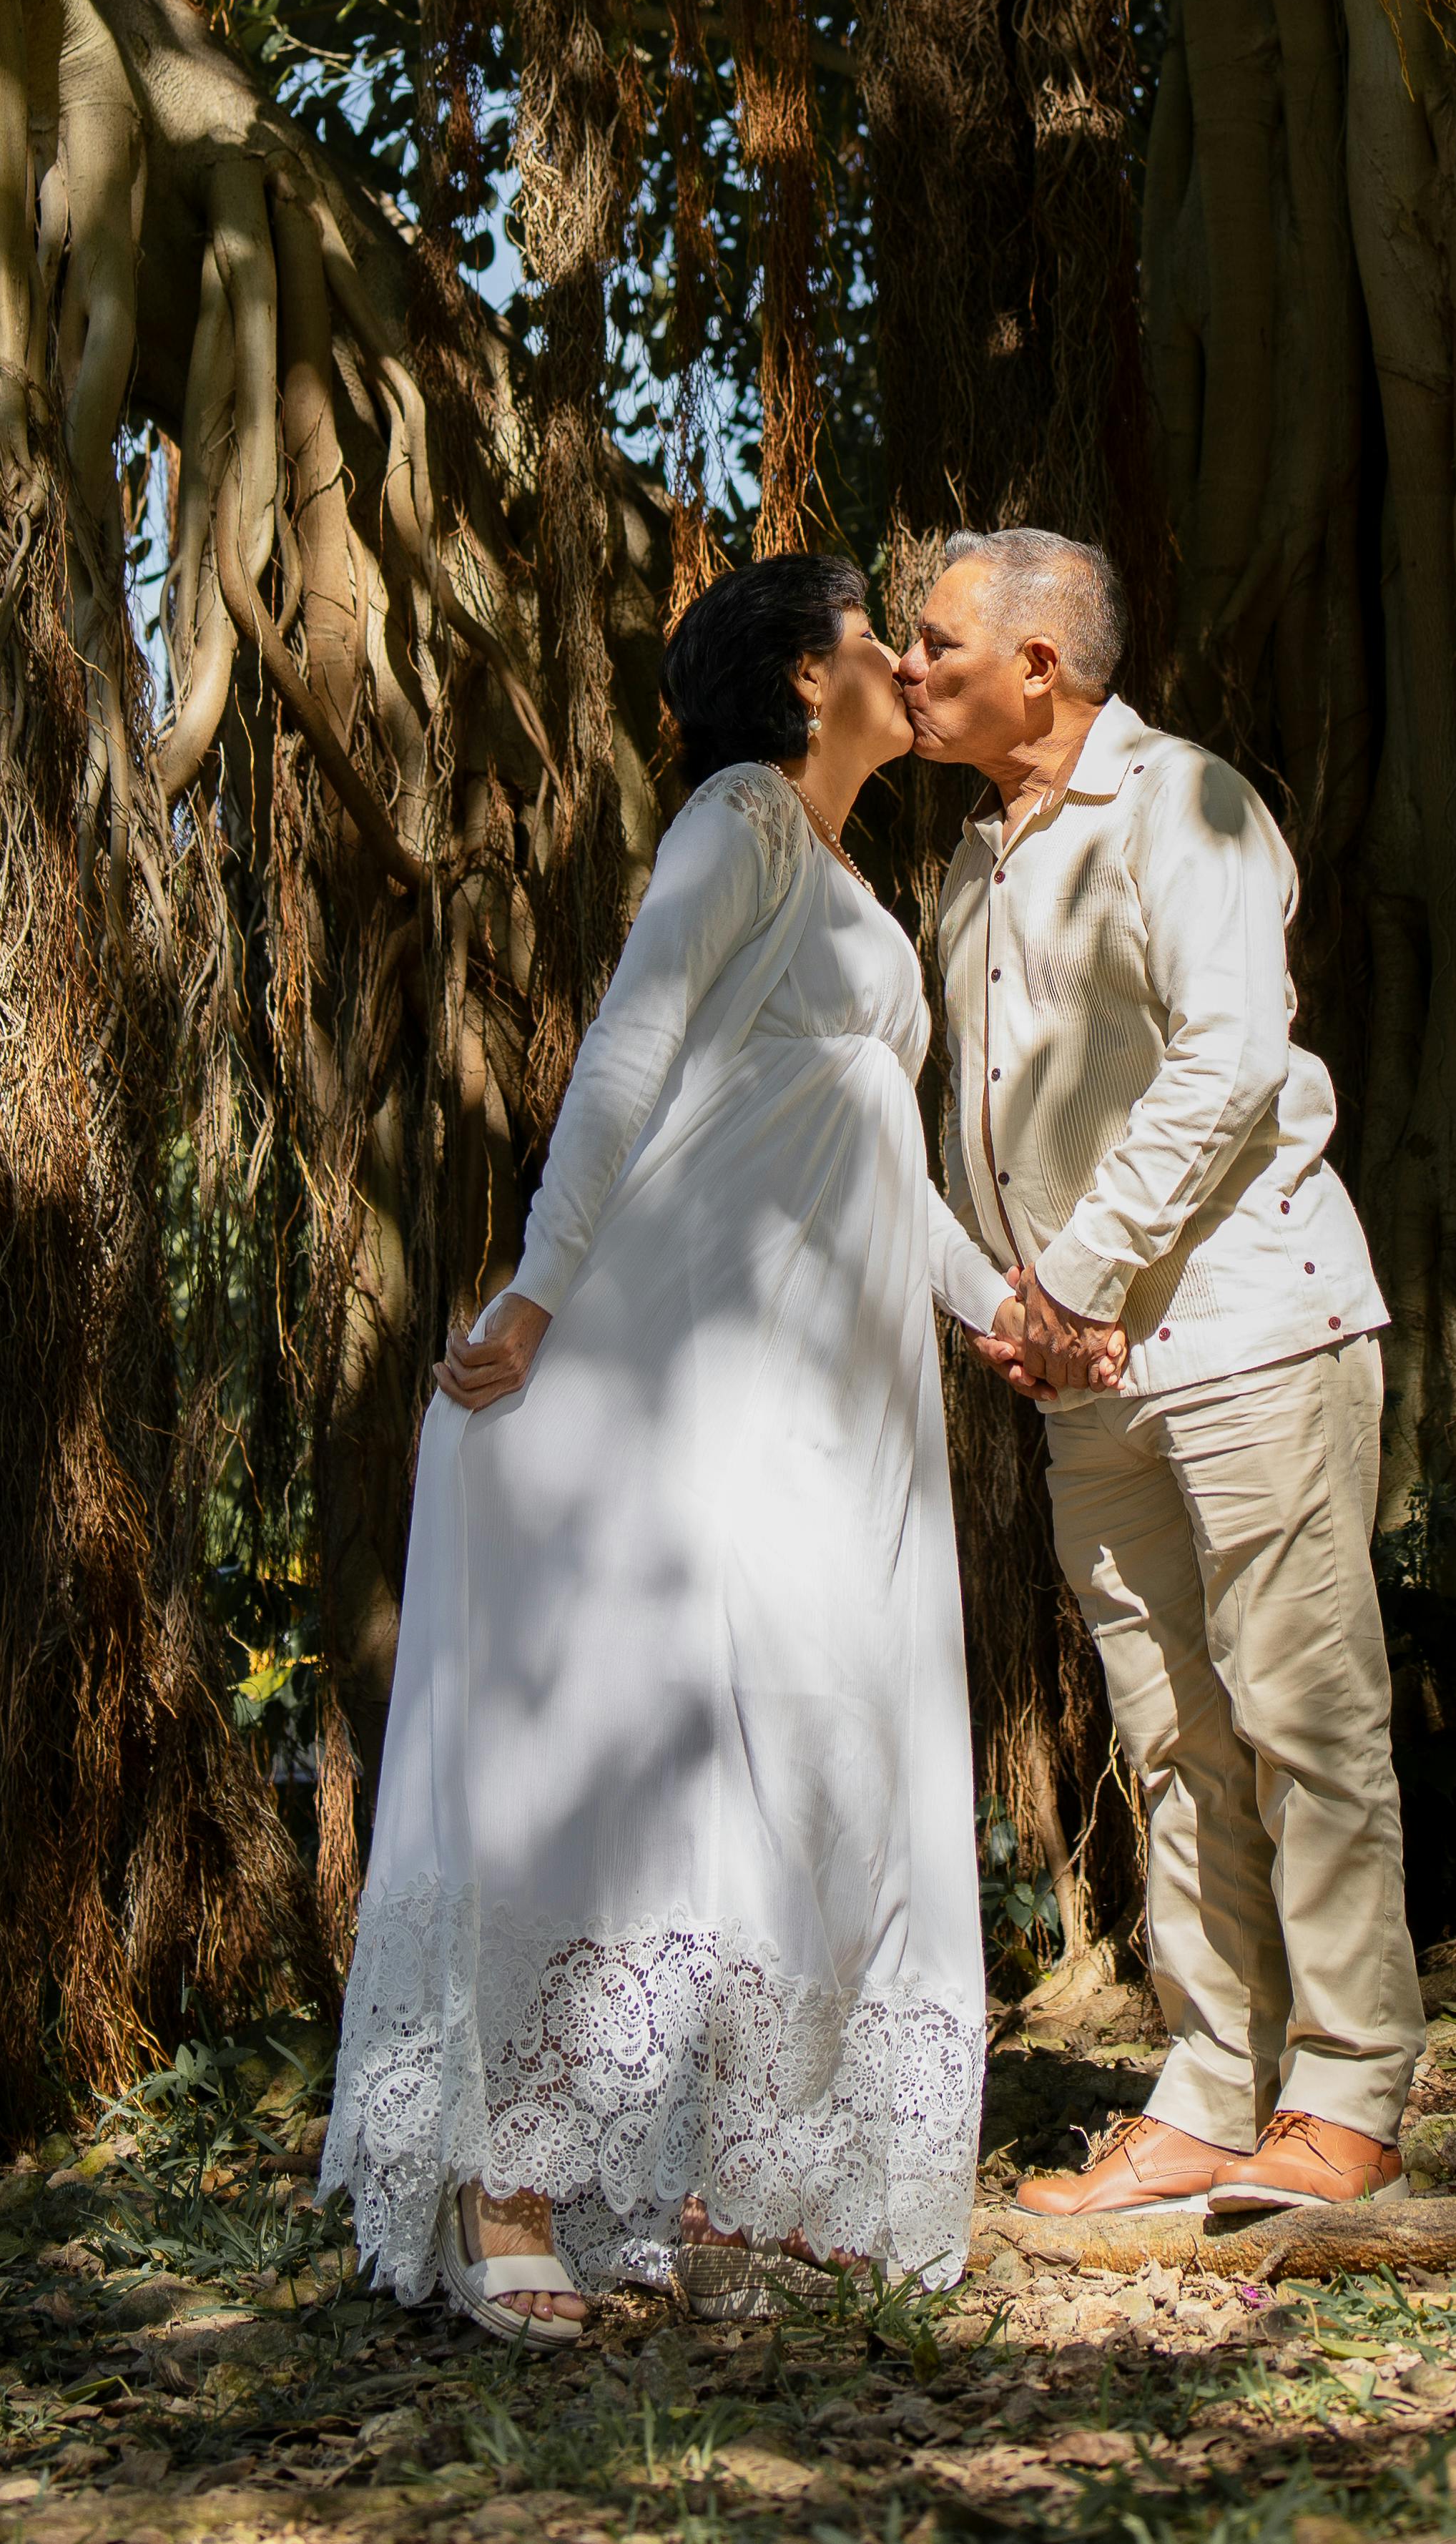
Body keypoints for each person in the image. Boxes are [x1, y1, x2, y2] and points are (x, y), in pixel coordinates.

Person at [321, 556, 1066, 2339]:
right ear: (810, 680)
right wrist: (535, 1295)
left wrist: (1002, 1311)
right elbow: (625, 1054)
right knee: (622, 1740)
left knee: (790, 1744)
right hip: (673, 1376)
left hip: (815, 1398)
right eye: (876, 631)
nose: (903, 654)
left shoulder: (838, 876)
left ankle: (715, 2182)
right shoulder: (736, 820)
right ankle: (505, 2182)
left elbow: (875, 1148)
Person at [899, 529, 1427, 2222]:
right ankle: (1210, 2085)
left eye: (935, 643)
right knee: (1170, 1734)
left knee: (1303, 1709)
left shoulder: (1182, 807)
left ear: (1037, 666)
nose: (906, 670)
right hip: (1083, 1372)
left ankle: (1349, 2087)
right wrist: (1011, 1305)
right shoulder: (976, 860)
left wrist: (1077, 1276)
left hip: (1245, 1327)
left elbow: (1231, 1056)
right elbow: (977, 1117)